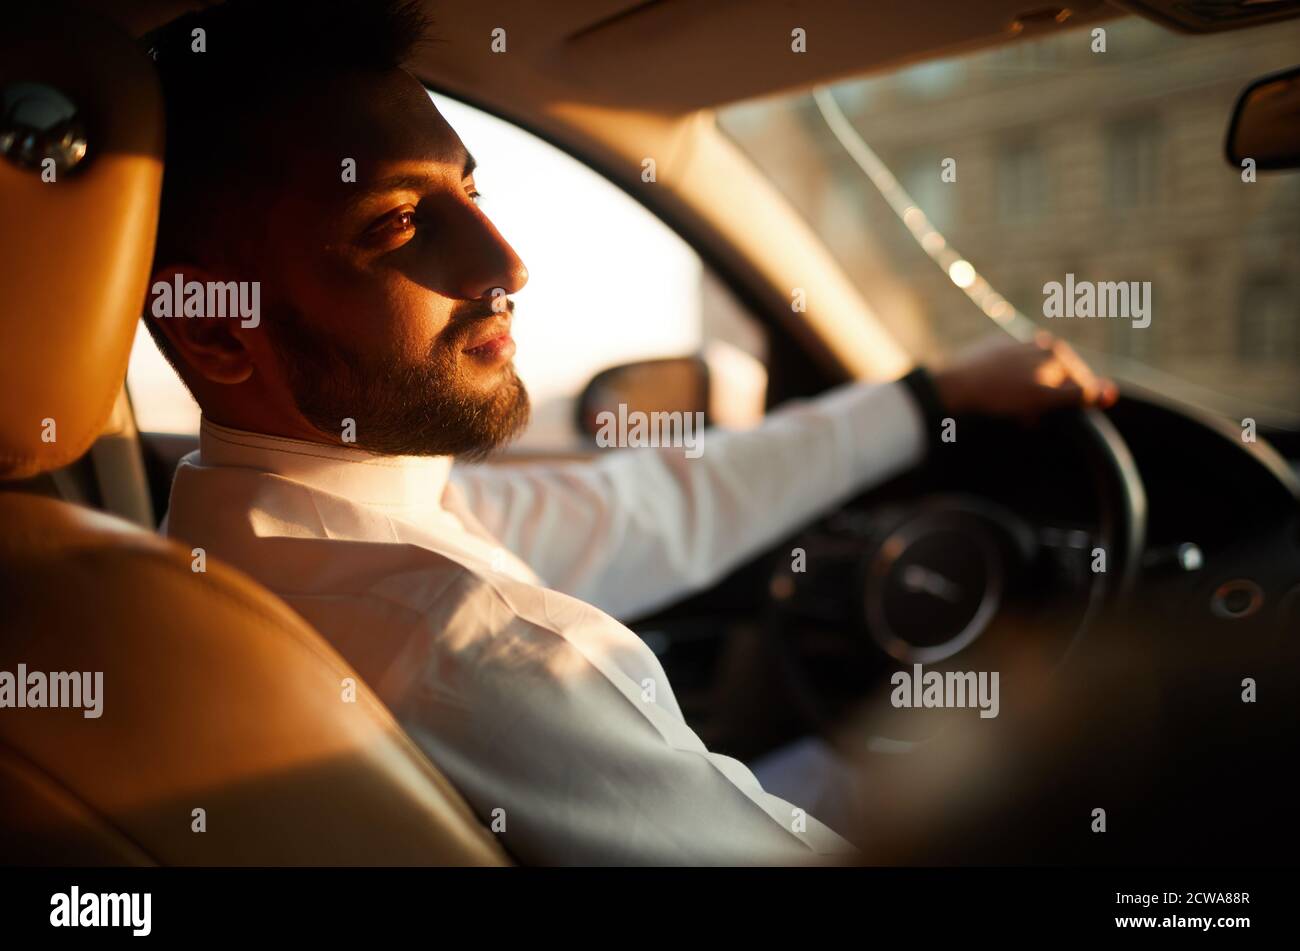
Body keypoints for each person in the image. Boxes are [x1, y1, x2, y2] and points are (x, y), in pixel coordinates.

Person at [146, 0, 1116, 864]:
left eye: (470, 192)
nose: (506, 262)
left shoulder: (237, 549)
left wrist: (928, 394)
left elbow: (638, 509)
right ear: (211, 327)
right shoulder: (473, 646)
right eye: (395, 221)